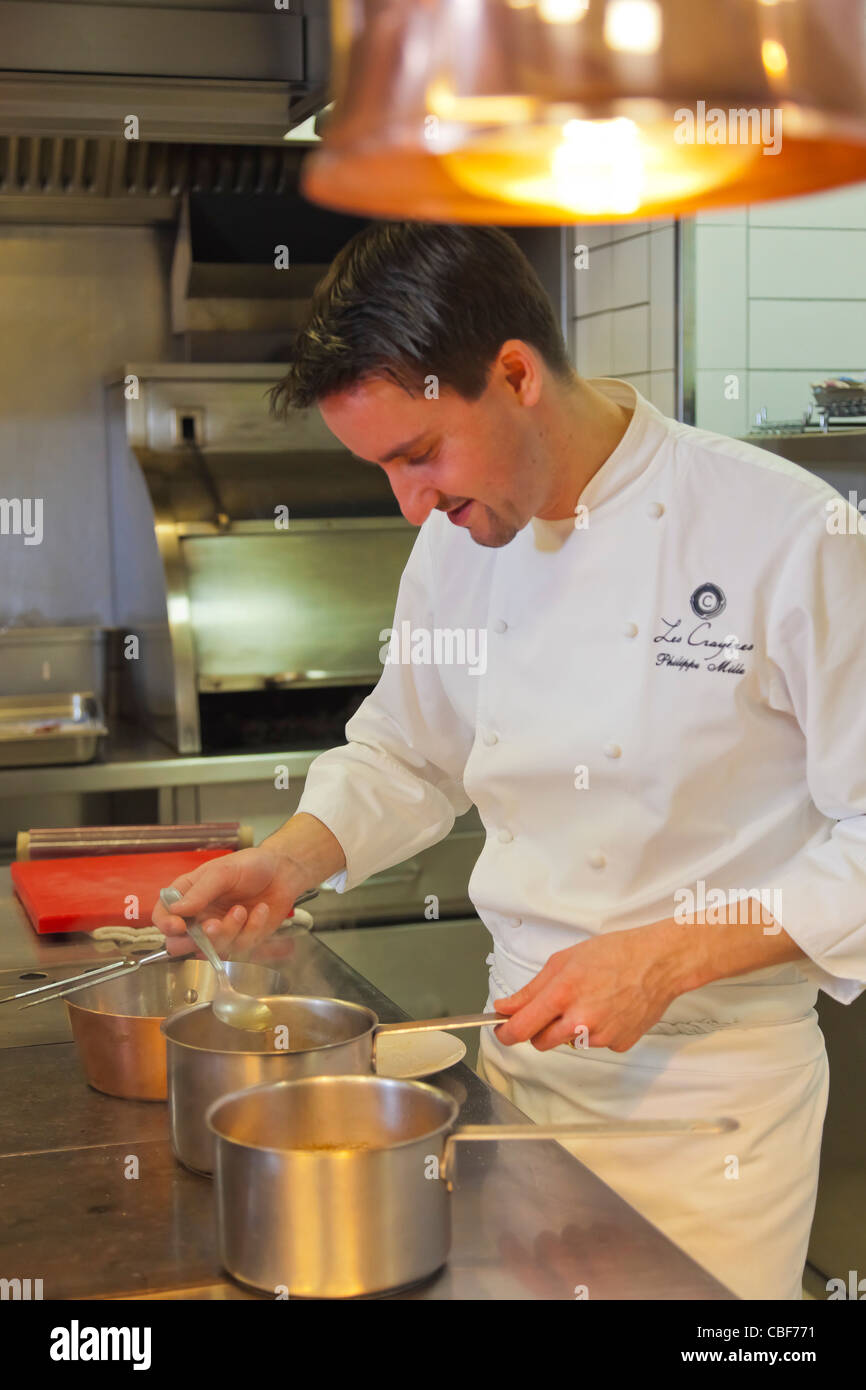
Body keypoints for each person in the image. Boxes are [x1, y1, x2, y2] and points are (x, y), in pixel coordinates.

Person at [154, 221, 866, 1300]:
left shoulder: (788, 533)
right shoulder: (458, 541)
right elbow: (406, 746)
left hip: (705, 1103)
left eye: (416, 455)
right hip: (517, 1082)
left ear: (516, 374)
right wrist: (293, 857)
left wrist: (666, 955)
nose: (411, 504)